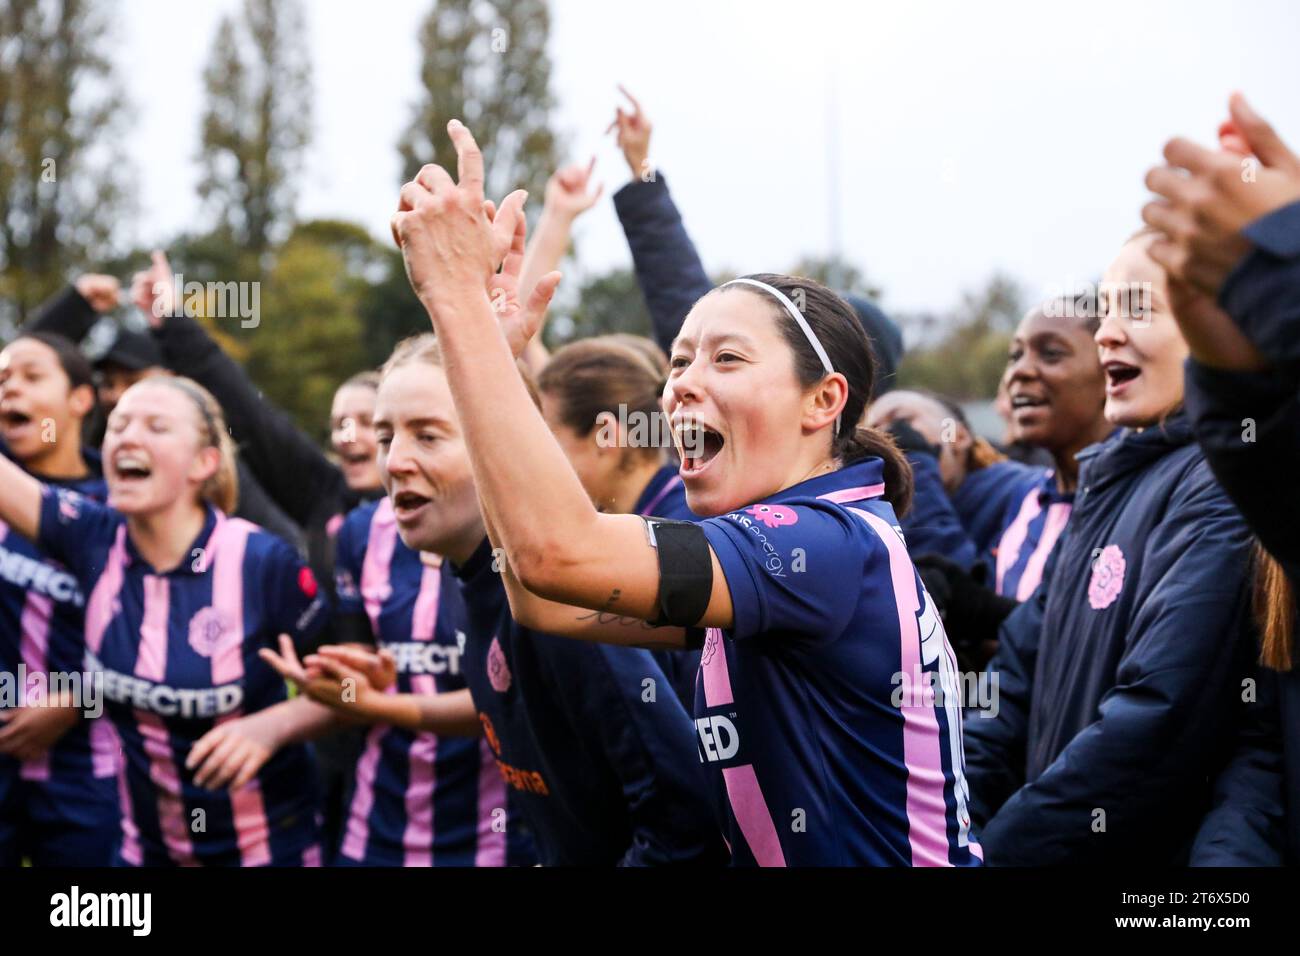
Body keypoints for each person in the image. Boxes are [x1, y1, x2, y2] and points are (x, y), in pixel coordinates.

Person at [390, 123, 982, 866]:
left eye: (727, 358)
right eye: (677, 361)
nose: (682, 385)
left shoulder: (822, 544)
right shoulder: (798, 550)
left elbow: (555, 557)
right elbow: (540, 599)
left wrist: (456, 303)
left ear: (823, 401)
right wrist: (493, 358)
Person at [266, 328, 722, 867]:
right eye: (386, 438)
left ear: (500, 445)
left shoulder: (554, 597)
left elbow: (689, 823)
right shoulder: (477, 581)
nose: (395, 463)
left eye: (429, 436)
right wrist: (377, 694)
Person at [963, 229, 1255, 864]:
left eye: (1139, 308)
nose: (1106, 334)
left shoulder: (1220, 485)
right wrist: (961, 834)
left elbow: (1154, 721)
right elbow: (1012, 683)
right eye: (1107, 309)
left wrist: (1002, 855)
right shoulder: (1107, 482)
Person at [0, 374, 333, 866]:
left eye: (156, 426)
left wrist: (276, 724)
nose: (128, 437)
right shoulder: (90, 537)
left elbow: (357, 693)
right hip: (142, 852)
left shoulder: (262, 561)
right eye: (118, 425)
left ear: (204, 462)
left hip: (267, 849)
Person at [1142, 93, 1300, 864]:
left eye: (1135, 306)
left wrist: (1281, 263)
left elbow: (1149, 715)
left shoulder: (1198, 495)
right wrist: (1246, 381)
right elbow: (1268, 747)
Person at [0, 331, 119, 866]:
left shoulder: (124, 503)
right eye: (2, 379)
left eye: (31, 376)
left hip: (87, 771)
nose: (10, 390)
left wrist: (78, 700)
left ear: (80, 399)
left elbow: (158, 633)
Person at [537, 336, 700, 706]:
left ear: (606, 435)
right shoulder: (646, 513)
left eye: (547, 440)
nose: (535, 461)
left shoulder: (683, 532)